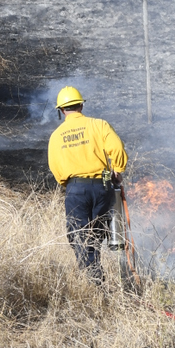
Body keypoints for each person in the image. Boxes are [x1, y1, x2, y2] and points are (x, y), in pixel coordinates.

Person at [47, 85, 128, 284]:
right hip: (103, 186)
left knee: (79, 236)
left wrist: (69, 183)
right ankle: (105, 276)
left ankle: (94, 281)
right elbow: (116, 148)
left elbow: (55, 168)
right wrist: (117, 170)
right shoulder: (99, 125)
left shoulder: (56, 136)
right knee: (98, 233)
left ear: (61, 110)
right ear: (81, 106)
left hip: (76, 189)